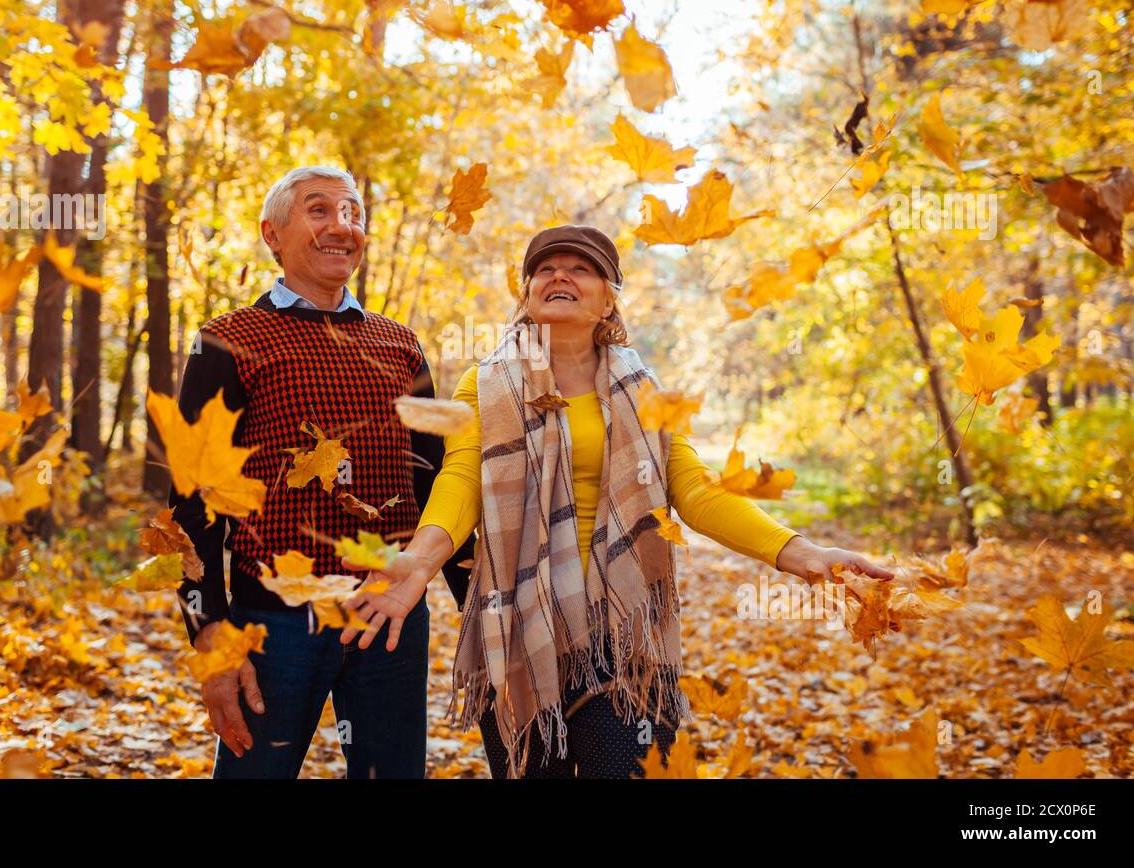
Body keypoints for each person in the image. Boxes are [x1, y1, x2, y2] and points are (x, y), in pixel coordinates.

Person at [339, 224, 894, 778]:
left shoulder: (641, 390)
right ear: (527, 293)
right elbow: (460, 482)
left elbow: (695, 491)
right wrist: (419, 558)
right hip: (519, 627)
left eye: (580, 268)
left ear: (609, 297)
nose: (559, 275)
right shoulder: (484, 385)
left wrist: (802, 553)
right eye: (544, 268)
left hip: (622, 629)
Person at [169, 165, 471, 778]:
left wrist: (480, 614)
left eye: (354, 213)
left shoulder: (401, 345)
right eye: (318, 210)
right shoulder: (226, 343)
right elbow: (189, 504)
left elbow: (437, 488)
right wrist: (211, 634)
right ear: (271, 233)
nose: (342, 226)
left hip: (389, 616)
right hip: (275, 624)